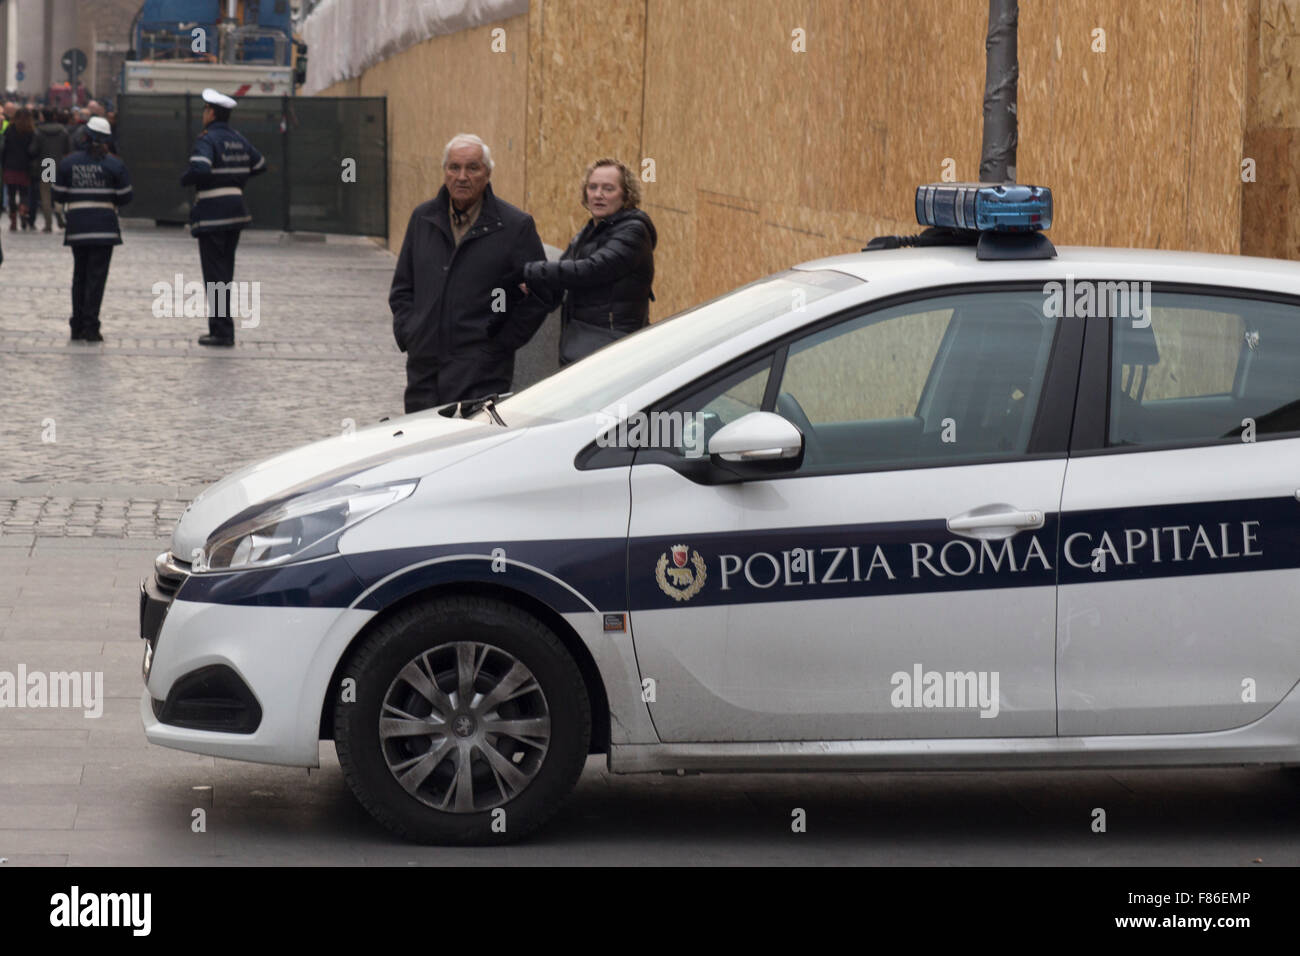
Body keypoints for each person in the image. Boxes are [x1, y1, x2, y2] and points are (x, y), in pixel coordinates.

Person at [389, 133, 550, 413]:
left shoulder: (514, 226)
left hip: (481, 374)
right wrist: (410, 332)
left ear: (487, 173)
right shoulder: (423, 218)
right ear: (445, 171)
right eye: (454, 167)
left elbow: (543, 293)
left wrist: (501, 342)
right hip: (424, 369)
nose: (462, 176)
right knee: (420, 451)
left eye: (472, 168)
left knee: (469, 451)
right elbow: (403, 287)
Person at [520, 157, 656, 365]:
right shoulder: (592, 229)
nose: (598, 195)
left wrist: (530, 271)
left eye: (608, 189)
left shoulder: (634, 231)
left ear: (626, 195)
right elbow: (563, 275)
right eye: (592, 187)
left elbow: (592, 270)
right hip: (584, 344)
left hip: (612, 351)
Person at [180, 88, 266, 346]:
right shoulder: (238, 138)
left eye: (205, 110)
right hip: (236, 211)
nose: (203, 114)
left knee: (214, 275)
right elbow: (260, 164)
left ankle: (221, 331)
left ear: (212, 113)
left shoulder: (207, 139)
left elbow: (201, 168)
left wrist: (186, 179)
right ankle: (223, 327)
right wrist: (234, 178)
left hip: (213, 214)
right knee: (225, 272)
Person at [51, 117, 132, 342]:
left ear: (84, 136)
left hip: (78, 228)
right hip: (105, 229)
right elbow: (126, 196)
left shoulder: (68, 162)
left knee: (80, 276)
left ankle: (76, 325)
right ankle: (91, 326)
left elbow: (57, 192)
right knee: (97, 278)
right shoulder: (115, 164)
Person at [32, 107, 70, 231]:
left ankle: (48, 223)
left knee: (46, 195)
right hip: (60, 164)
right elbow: (67, 149)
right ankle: (59, 212)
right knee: (59, 193)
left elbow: (33, 150)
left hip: (46, 164)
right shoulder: (63, 131)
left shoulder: (39, 132)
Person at [1, 107, 35, 230]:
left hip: (10, 166)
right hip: (25, 167)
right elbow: (33, 151)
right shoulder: (31, 132)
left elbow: (4, 148)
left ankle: (13, 219)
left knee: (11, 194)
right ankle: (23, 210)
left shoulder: (9, 130)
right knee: (24, 193)